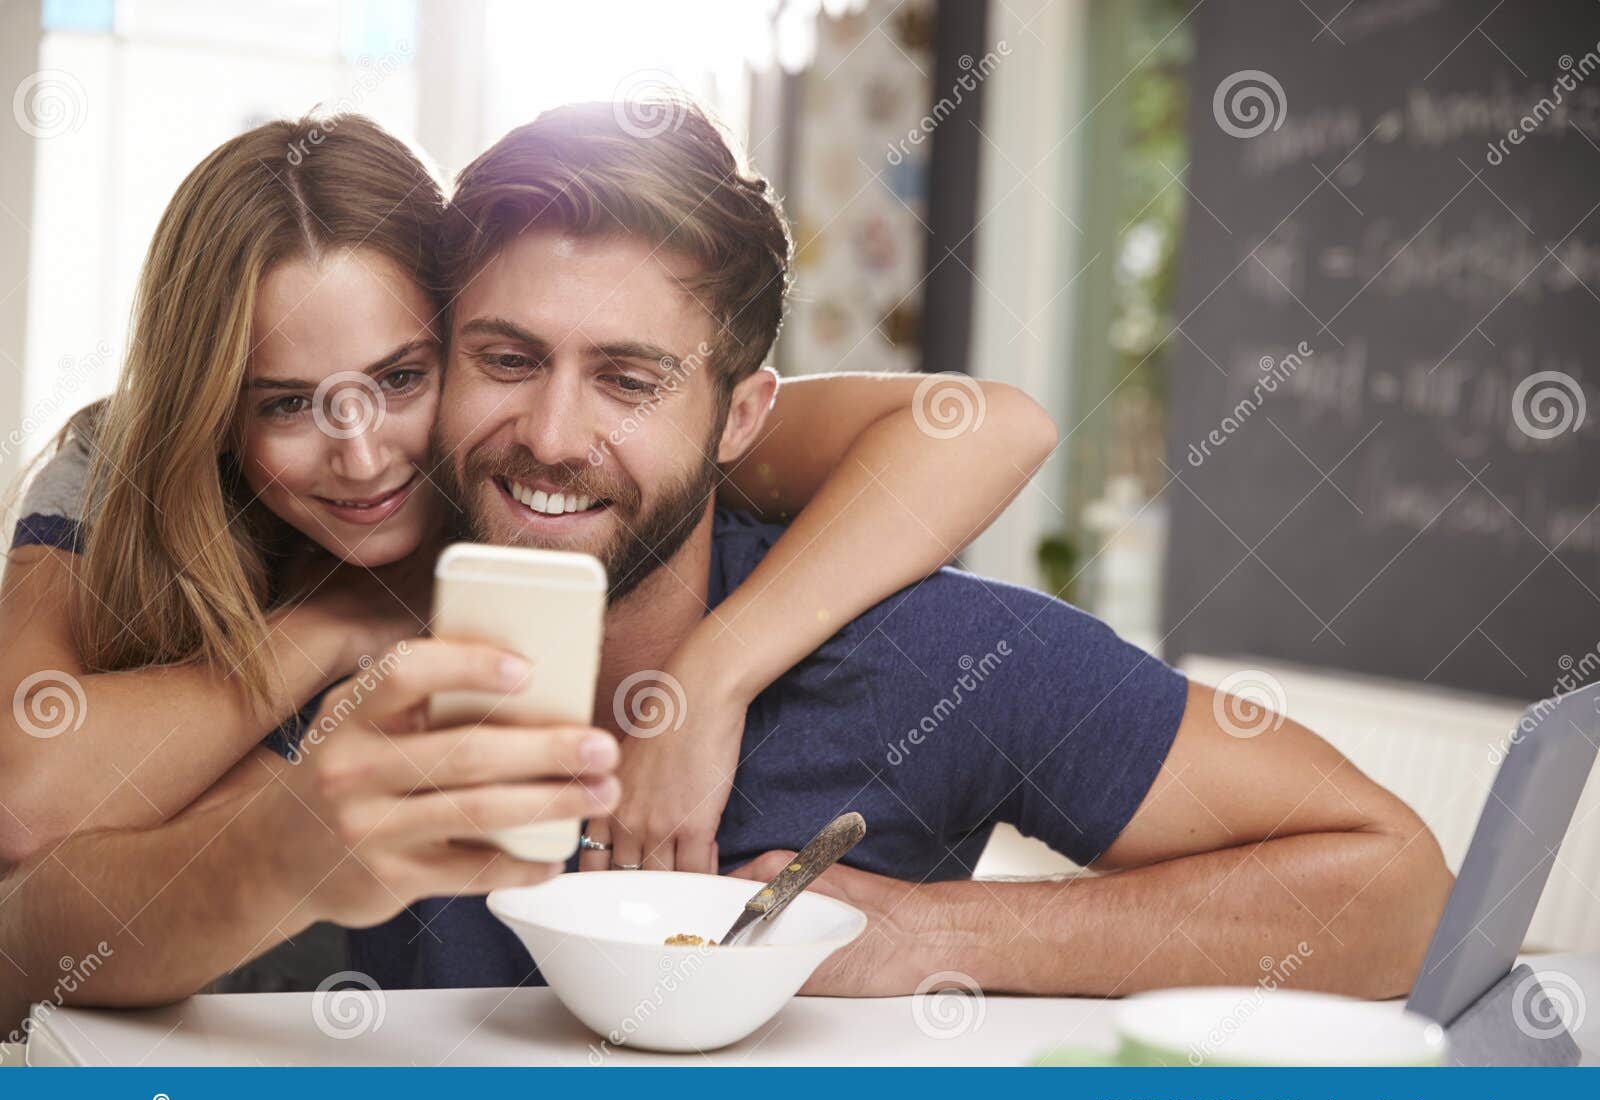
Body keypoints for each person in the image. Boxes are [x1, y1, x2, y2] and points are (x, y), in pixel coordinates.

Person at [0, 100, 1451, 1028]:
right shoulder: (347, 618)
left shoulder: (926, 657)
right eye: (504, 360)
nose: (549, 434)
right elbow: (31, 945)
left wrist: (936, 935)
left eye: (629, 378)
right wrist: (283, 848)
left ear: (743, 413)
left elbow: (1394, 887)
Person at [0, 111, 1055, 886]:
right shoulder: (121, 460)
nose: (363, 457)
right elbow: (25, 794)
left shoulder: (568, 430)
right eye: (285, 401)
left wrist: (710, 675)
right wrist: (332, 627)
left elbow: (993, 426)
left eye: (405, 376)